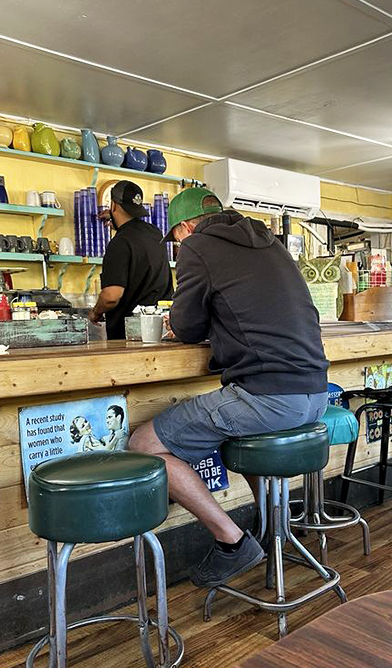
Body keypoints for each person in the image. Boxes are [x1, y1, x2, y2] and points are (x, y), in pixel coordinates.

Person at [129, 188, 329, 588]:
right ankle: (275, 525)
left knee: (143, 445)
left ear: (185, 227)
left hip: (268, 397)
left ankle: (233, 541)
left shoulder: (197, 248)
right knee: (234, 430)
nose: (179, 246)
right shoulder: (269, 241)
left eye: (177, 237)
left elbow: (186, 327)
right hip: (316, 395)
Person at [89, 180, 173, 339]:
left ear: (113, 205)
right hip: (161, 332)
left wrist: (95, 312)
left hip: (129, 338)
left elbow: (111, 296)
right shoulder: (155, 233)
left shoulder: (119, 242)